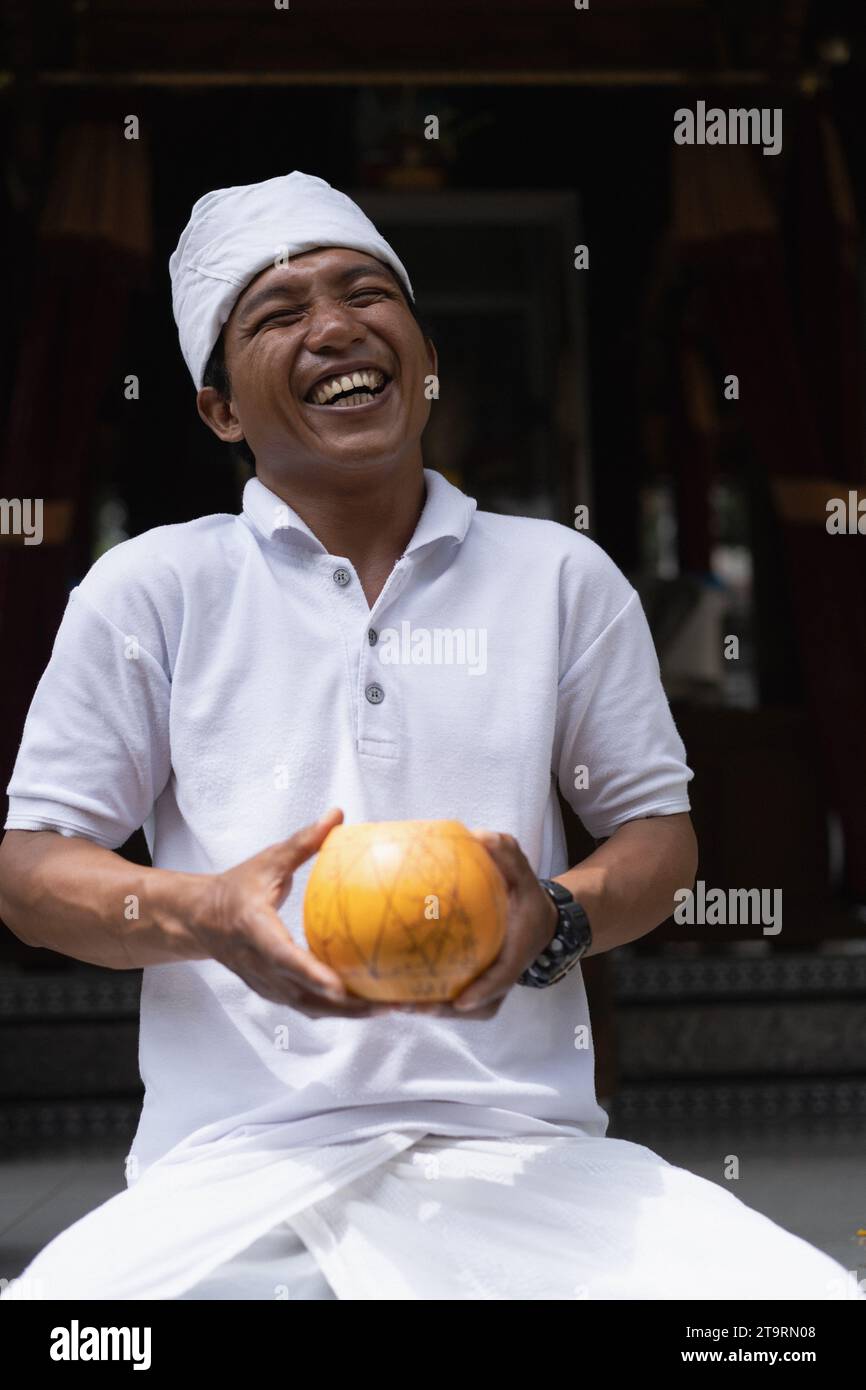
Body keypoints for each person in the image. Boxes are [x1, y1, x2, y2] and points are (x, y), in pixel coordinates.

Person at [0, 172, 859, 1301]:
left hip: (527, 1159)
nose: (336, 325)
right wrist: (204, 913)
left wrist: (553, 915)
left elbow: (658, 842)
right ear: (218, 408)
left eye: (367, 292)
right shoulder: (151, 589)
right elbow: (30, 870)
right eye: (277, 312)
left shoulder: (560, 575)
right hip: (230, 1172)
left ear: (423, 350)